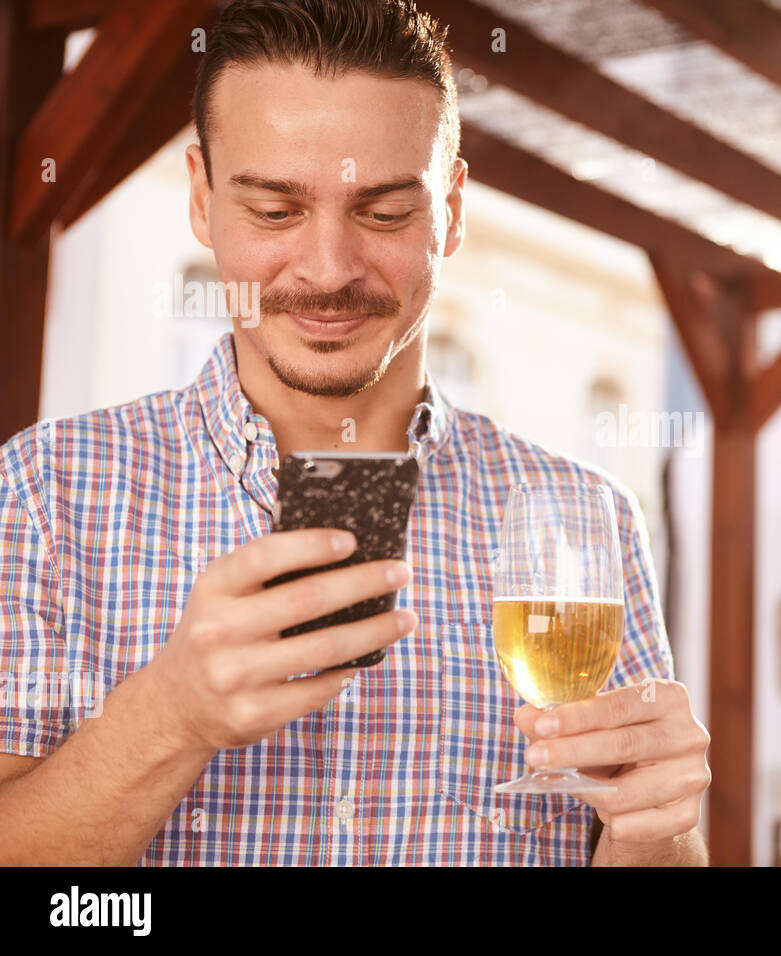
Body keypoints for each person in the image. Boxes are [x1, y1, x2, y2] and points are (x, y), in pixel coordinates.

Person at [0, 0, 709, 866]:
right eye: (273, 211)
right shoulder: (42, 492)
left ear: (449, 210)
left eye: (381, 212)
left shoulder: (583, 513)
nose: (328, 270)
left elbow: (642, 839)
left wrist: (658, 830)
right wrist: (170, 715)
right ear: (202, 198)